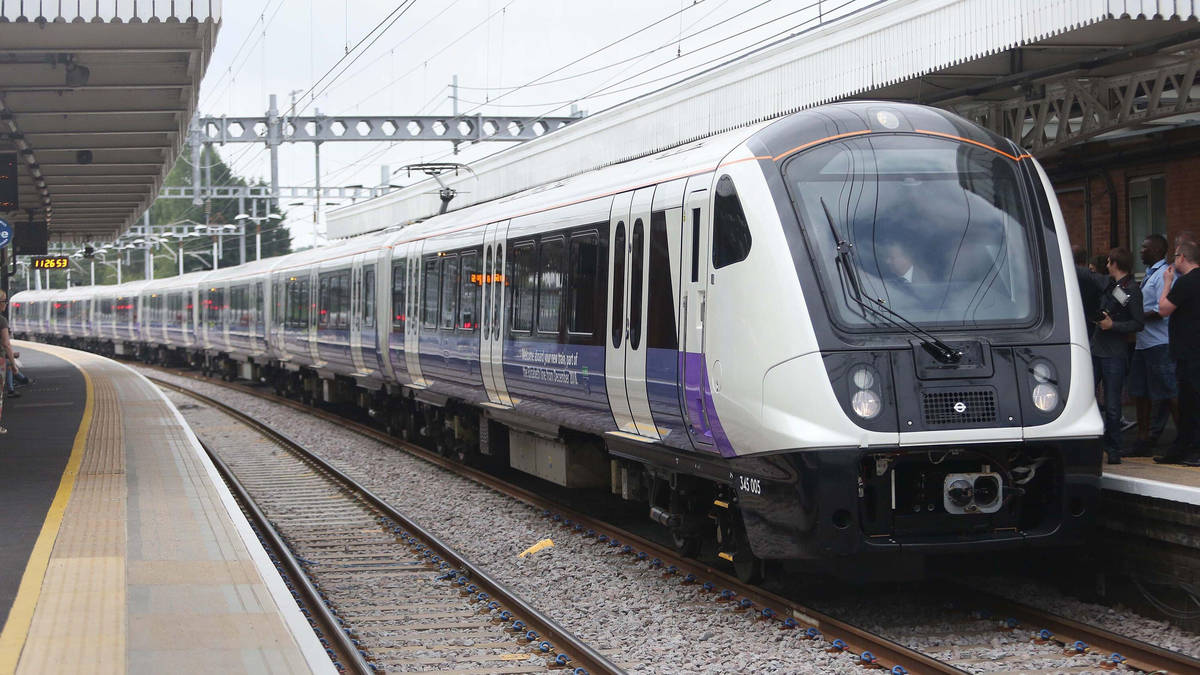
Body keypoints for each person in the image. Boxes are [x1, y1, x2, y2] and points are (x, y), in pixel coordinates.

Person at [1092, 248, 1143, 464]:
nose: (1106, 266)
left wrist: (1113, 325)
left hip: (1114, 352)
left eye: (1109, 262)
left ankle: (1114, 448)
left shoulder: (1131, 289)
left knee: (1113, 404)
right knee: (1088, 397)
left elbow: (1138, 323)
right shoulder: (1110, 286)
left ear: (1114, 263)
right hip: (1097, 348)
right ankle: (1098, 442)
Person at [1129, 234, 1177, 454]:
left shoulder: (1164, 275)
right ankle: (1143, 439)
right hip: (1143, 344)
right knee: (1140, 392)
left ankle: (1187, 440)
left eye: (1145, 247)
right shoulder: (1150, 274)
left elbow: (1162, 310)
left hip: (1159, 344)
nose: (1141, 251)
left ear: (1157, 250)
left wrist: (1137, 316)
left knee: (1170, 392)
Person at [1155, 239, 1200, 465]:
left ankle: (1190, 449)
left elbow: (1163, 309)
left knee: (1190, 402)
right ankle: (1183, 448)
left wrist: (1167, 282)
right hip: (1194, 349)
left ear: (1182, 257)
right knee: (1191, 401)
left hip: (1187, 351)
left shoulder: (1185, 282)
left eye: (1175, 256)